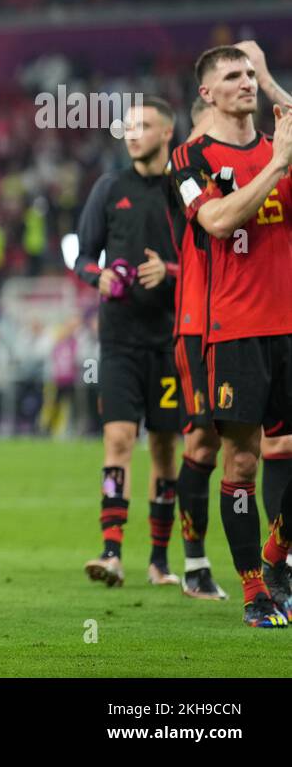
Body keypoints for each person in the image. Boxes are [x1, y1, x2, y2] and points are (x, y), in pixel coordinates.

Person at [171, 45, 292, 627]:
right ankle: (254, 591)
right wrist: (276, 168)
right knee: (240, 462)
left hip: (288, 325)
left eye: (250, 74)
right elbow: (217, 221)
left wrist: (272, 84)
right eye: (233, 76)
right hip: (235, 330)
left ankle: (277, 557)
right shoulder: (189, 157)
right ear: (207, 93)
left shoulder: (279, 145)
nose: (245, 83)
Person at [74, 98, 184, 589]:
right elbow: (81, 258)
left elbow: (211, 260)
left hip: (169, 340)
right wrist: (97, 276)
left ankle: (159, 560)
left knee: (165, 447)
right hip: (117, 342)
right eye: (129, 126)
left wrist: (171, 272)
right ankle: (111, 551)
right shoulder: (109, 187)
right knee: (118, 440)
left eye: (144, 126)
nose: (133, 133)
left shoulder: (184, 192)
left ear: (167, 132)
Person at [170, 97, 226, 598]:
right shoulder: (188, 161)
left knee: (272, 441)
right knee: (203, 441)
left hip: (252, 319)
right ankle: (194, 564)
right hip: (198, 322)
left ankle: (278, 560)